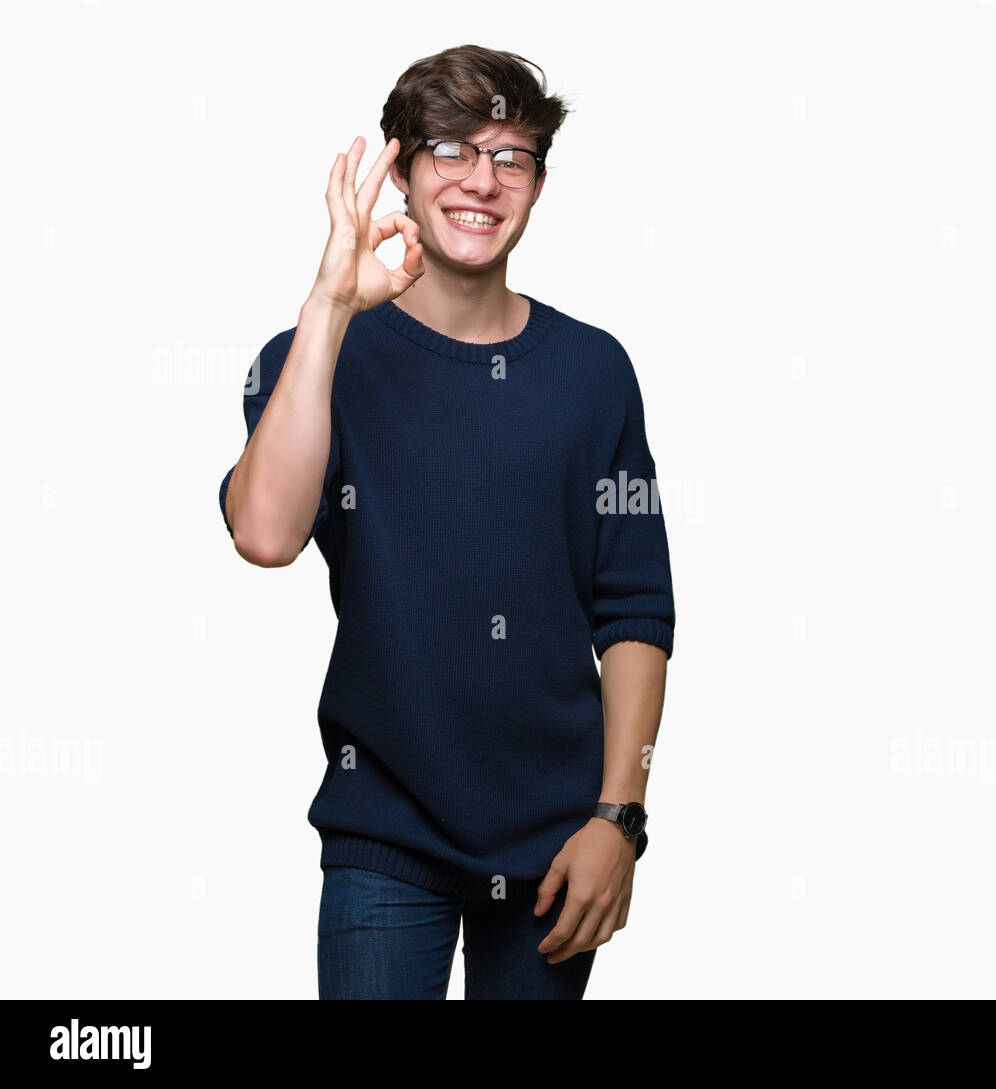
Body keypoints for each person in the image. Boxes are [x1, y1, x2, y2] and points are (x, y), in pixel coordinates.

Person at [217, 45, 674, 1000]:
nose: (481, 179)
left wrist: (618, 819)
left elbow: (635, 609)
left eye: (511, 157)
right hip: (386, 829)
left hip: (558, 841)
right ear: (403, 167)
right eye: (451, 148)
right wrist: (329, 307)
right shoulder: (314, 354)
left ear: (539, 185)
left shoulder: (594, 373)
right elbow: (265, 533)